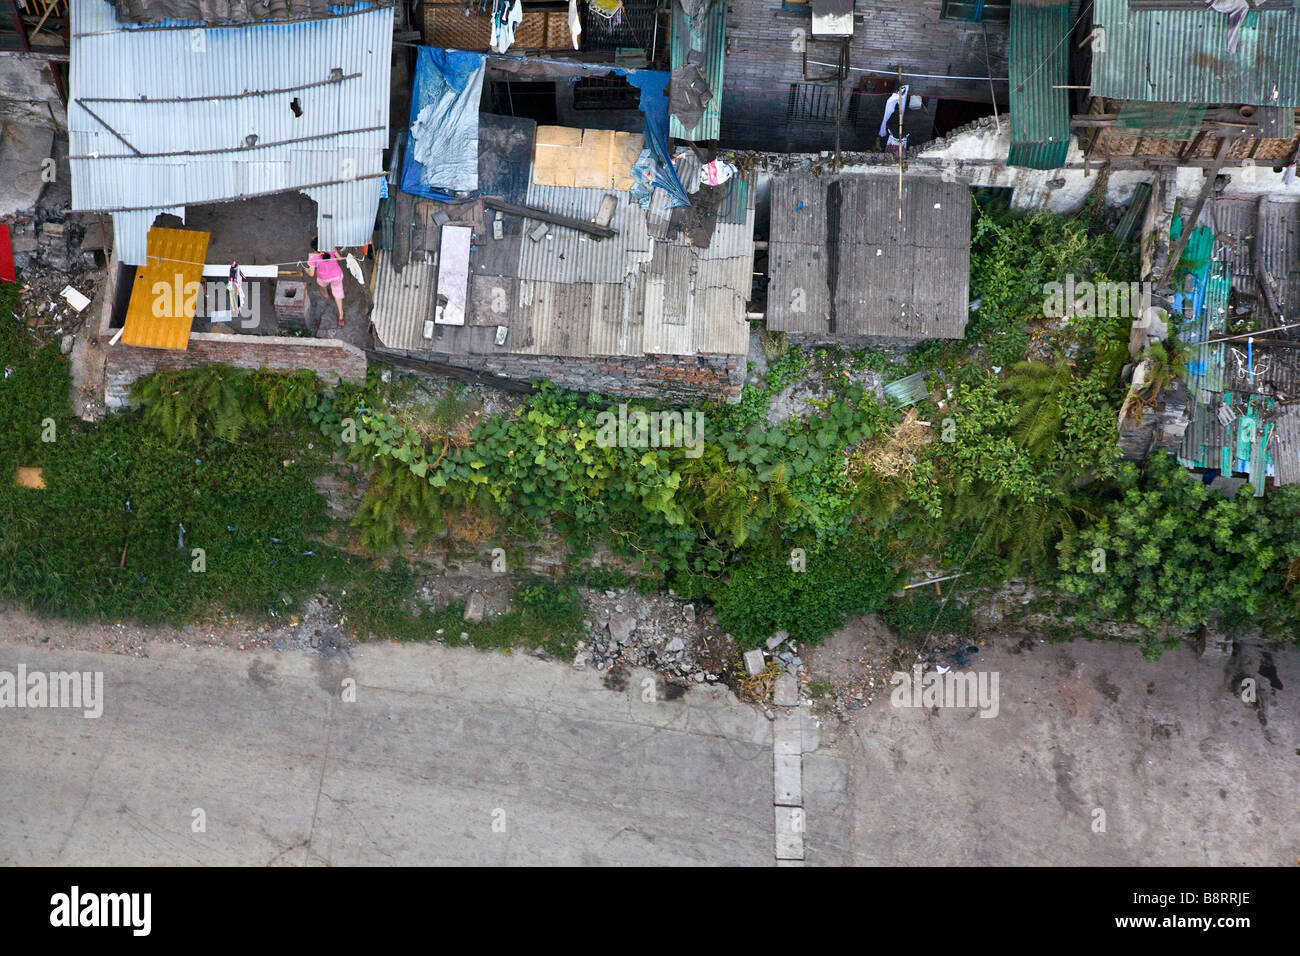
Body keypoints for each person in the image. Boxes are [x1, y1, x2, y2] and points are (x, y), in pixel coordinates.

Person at [306, 245, 346, 327]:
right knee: (338, 293)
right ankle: (341, 316)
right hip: (336, 275)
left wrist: (306, 270)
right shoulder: (330, 248)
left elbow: (311, 274)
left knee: (321, 286)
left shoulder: (313, 257)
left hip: (323, 278)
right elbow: (340, 258)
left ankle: (327, 296)